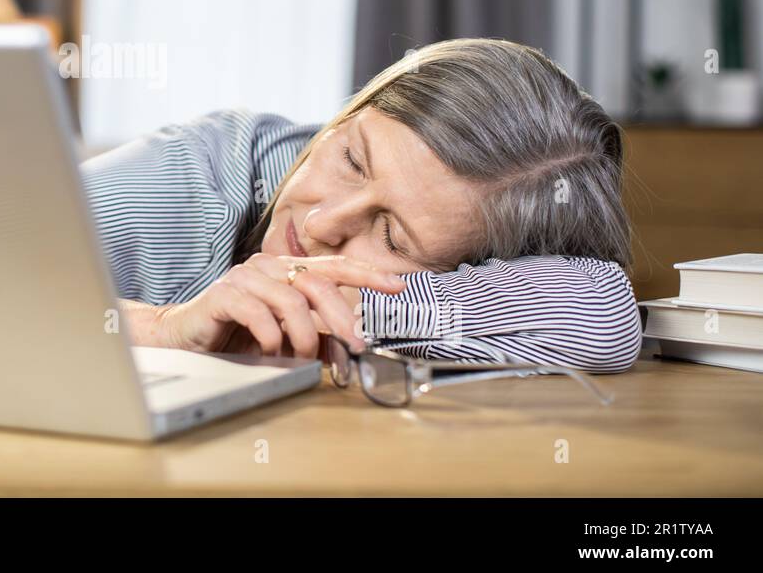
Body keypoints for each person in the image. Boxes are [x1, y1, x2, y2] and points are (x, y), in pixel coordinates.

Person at [80, 38, 642, 373]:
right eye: (351, 159)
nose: (322, 222)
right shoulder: (185, 177)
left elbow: (602, 309)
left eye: (393, 238)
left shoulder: (455, 284)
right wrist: (162, 329)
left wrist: (348, 306)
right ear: (351, 112)